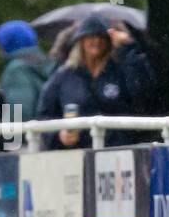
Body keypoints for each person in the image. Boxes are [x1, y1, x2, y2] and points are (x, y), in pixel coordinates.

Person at [35, 14, 154, 149]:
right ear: (80, 40)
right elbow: (45, 115)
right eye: (90, 36)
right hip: (77, 156)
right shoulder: (63, 76)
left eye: (101, 36)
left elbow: (143, 93)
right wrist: (58, 135)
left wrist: (128, 47)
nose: (96, 40)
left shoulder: (120, 70)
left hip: (118, 153)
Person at [0, 20, 52, 123]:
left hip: (31, 135)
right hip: (51, 131)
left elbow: (19, 112)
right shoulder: (45, 62)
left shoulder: (16, 69)